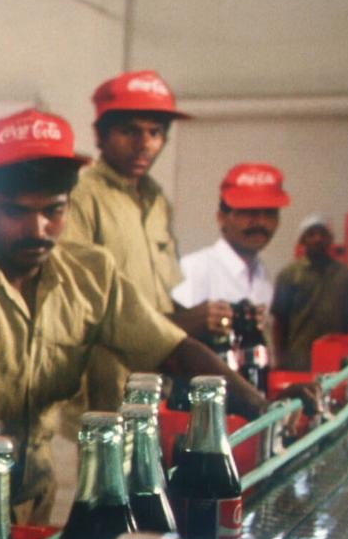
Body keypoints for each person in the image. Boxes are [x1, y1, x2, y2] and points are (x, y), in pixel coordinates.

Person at [0, 109, 275, 524]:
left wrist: (262, 406)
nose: (38, 229)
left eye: (54, 211)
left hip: (33, 497)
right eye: (16, 212)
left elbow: (173, 351)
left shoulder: (90, 275)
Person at [64, 71, 231, 407]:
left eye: (155, 132)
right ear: (100, 135)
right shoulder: (80, 195)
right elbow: (77, 307)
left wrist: (205, 319)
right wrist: (179, 325)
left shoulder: (156, 200)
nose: (144, 144)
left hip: (154, 385)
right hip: (100, 393)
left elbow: (158, 298)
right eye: (129, 131)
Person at [173, 163, 289, 313]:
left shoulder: (262, 276)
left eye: (270, 213)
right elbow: (170, 325)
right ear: (221, 218)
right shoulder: (194, 269)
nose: (261, 222)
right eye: (250, 212)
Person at [272, 217, 348, 371]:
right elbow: (280, 321)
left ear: (330, 239)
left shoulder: (345, 275)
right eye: (311, 234)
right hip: (299, 358)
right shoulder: (289, 275)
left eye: (323, 234)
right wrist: (280, 359)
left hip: (335, 357)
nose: (318, 239)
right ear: (302, 240)